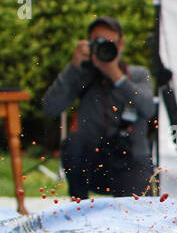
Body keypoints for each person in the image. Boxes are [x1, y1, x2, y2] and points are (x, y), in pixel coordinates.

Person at [43, 16, 157, 199]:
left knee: (137, 214)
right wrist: (73, 67)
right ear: (89, 45)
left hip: (130, 159)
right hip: (92, 163)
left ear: (121, 45)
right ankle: (78, 207)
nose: (105, 48)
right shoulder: (84, 76)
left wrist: (117, 77)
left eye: (110, 43)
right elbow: (50, 107)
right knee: (73, 143)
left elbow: (148, 109)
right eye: (98, 43)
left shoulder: (137, 75)